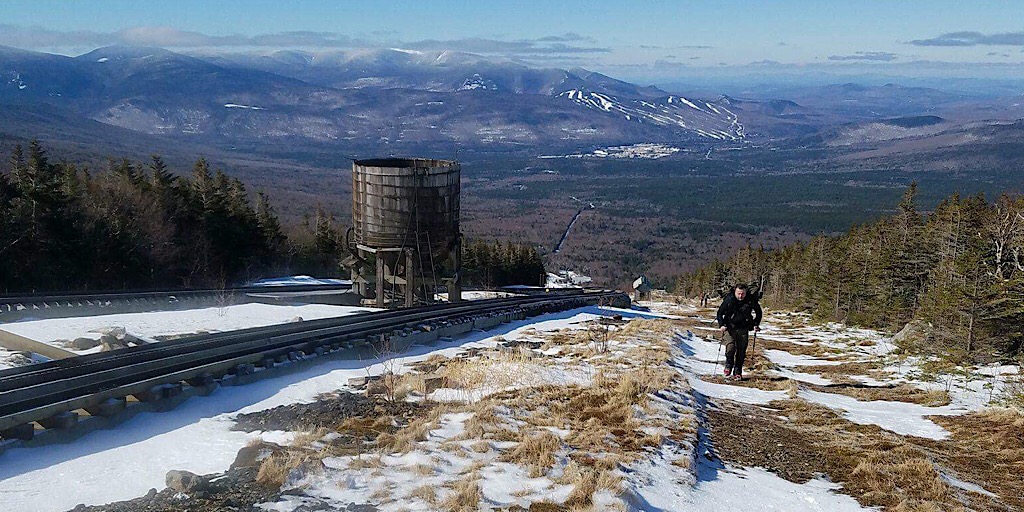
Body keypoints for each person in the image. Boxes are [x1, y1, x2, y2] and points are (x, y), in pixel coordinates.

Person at [716, 283, 762, 380]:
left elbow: (759, 312)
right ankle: (728, 364)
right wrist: (721, 325)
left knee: (741, 351)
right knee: (730, 348)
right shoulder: (729, 299)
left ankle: (738, 371)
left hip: (744, 328)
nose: (740, 296)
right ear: (735, 292)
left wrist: (756, 324)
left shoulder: (750, 300)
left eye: (742, 294)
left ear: (746, 293)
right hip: (729, 327)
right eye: (738, 293)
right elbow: (719, 313)